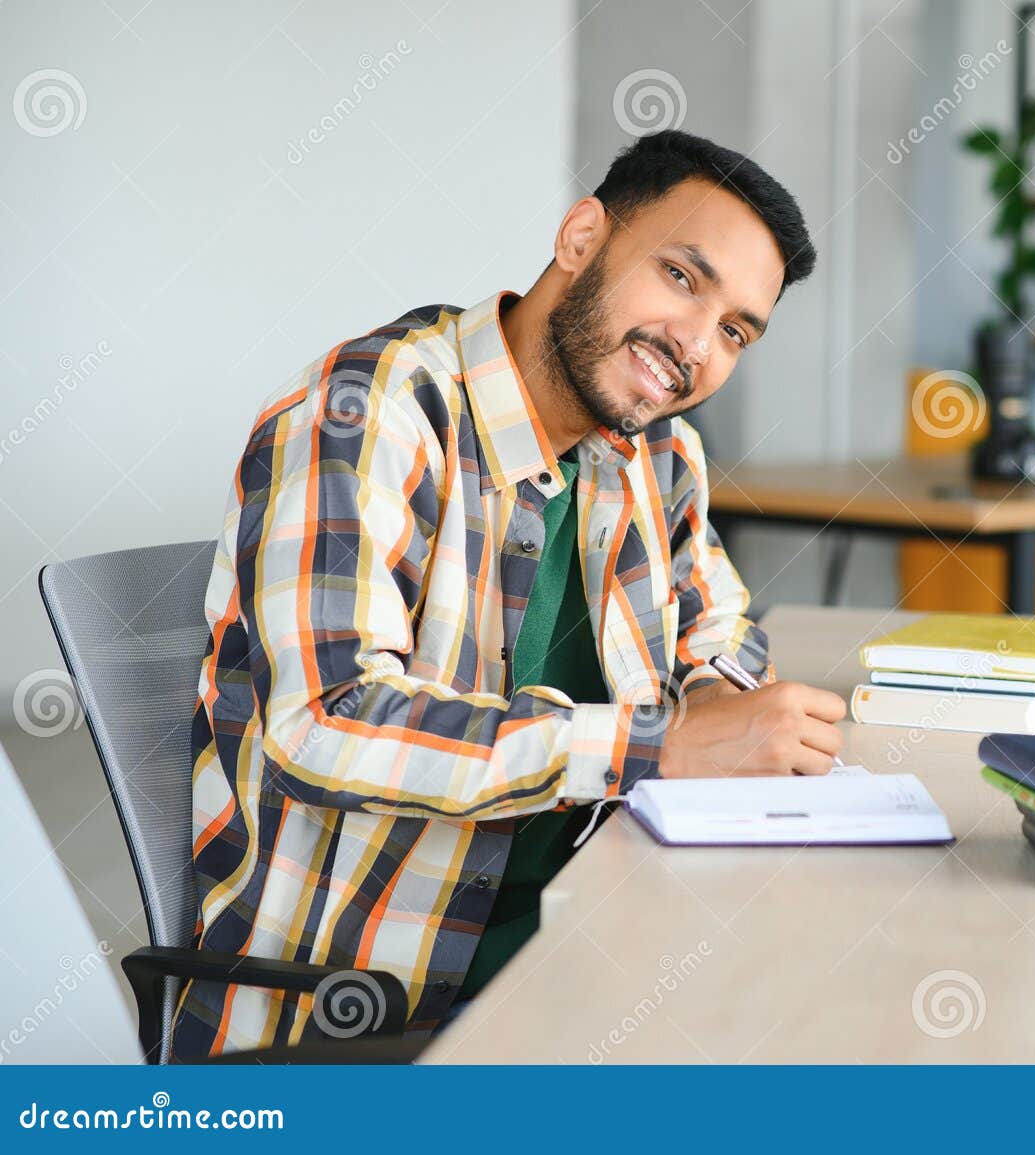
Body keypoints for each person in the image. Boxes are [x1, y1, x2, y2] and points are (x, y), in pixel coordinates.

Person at [172, 130, 846, 1058]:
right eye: (683, 277)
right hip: (366, 1017)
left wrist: (720, 702)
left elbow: (720, 633)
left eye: (735, 329)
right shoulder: (372, 412)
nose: (694, 345)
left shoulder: (654, 452)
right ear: (580, 238)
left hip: (592, 954)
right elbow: (322, 725)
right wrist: (660, 746)